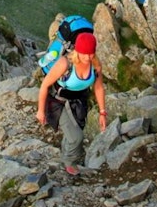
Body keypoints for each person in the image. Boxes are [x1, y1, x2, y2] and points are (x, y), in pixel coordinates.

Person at [36, 32, 108, 175]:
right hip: (58, 102)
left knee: (74, 133)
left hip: (79, 102)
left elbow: (98, 87)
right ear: (77, 51)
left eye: (91, 54)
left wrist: (102, 112)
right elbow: (45, 85)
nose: (88, 58)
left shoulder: (95, 65)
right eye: (84, 54)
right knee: (77, 137)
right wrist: (40, 111)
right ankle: (69, 163)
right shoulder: (65, 64)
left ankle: (65, 157)